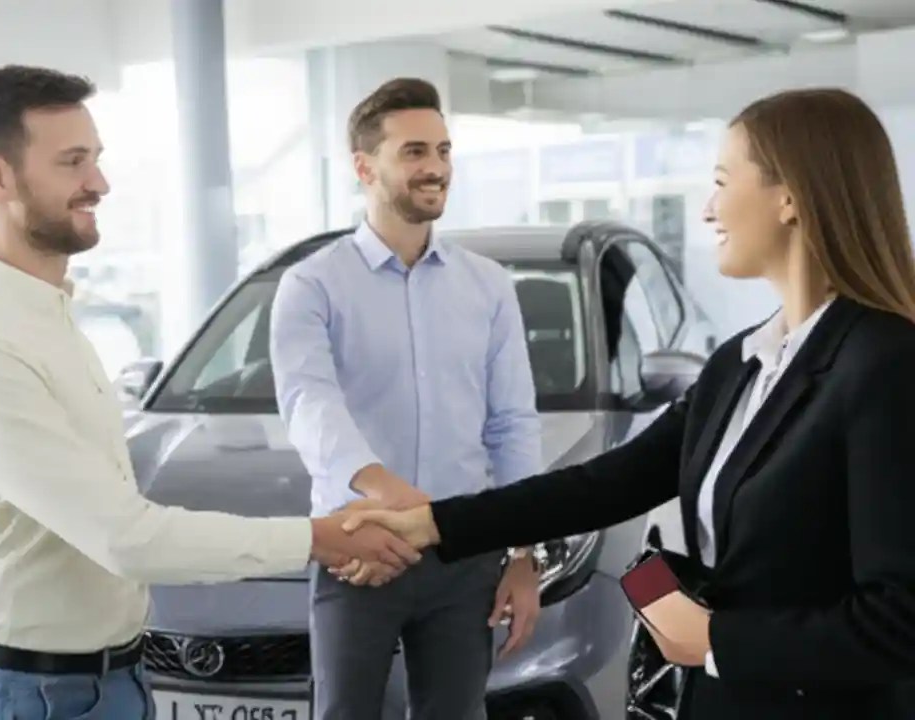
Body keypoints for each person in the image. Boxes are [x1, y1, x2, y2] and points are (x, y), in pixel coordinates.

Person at [342, 87, 915, 719]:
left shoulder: (887, 367)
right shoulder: (741, 365)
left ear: (790, 198)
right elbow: (602, 486)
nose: (707, 210)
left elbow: (899, 621)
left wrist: (716, 640)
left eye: (722, 181)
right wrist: (435, 524)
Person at [0, 65, 421, 720]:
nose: (99, 182)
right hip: (34, 698)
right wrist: (319, 538)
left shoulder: (47, 317)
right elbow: (126, 537)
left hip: (112, 679)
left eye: (95, 159)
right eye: (72, 163)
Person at [269, 77, 545, 720]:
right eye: (416, 151)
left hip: (463, 555)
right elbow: (309, 406)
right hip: (359, 552)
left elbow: (512, 425)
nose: (437, 168)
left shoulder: (489, 287)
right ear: (365, 167)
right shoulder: (311, 285)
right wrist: (389, 497)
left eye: (444, 151)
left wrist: (523, 554)